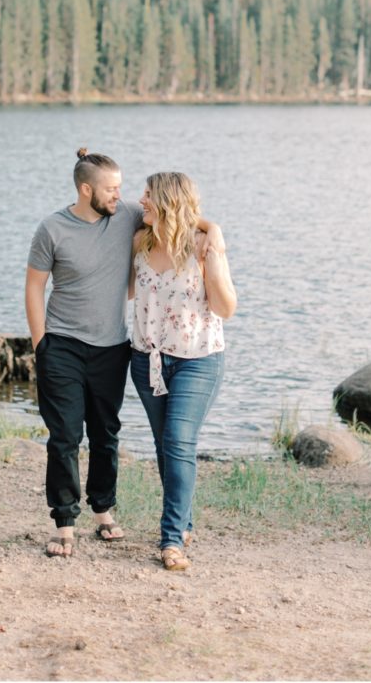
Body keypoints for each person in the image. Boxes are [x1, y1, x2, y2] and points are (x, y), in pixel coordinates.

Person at [26, 149, 224, 558]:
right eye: (111, 189)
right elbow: (34, 287)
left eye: (122, 188)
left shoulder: (128, 215)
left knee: (106, 433)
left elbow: (179, 212)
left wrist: (213, 230)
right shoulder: (52, 229)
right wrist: (40, 343)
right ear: (86, 190)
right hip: (61, 344)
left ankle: (104, 510)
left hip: (113, 348)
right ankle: (64, 522)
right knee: (64, 436)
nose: (123, 195)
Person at [130, 171, 237, 572]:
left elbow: (226, 309)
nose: (141, 200)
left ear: (167, 201)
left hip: (198, 360)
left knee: (177, 441)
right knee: (166, 446)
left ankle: (172, 539)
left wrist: (214, 252)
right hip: (146, 360)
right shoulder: (140, 241)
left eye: (148, 194)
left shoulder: (202, 247)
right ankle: (184, 523)